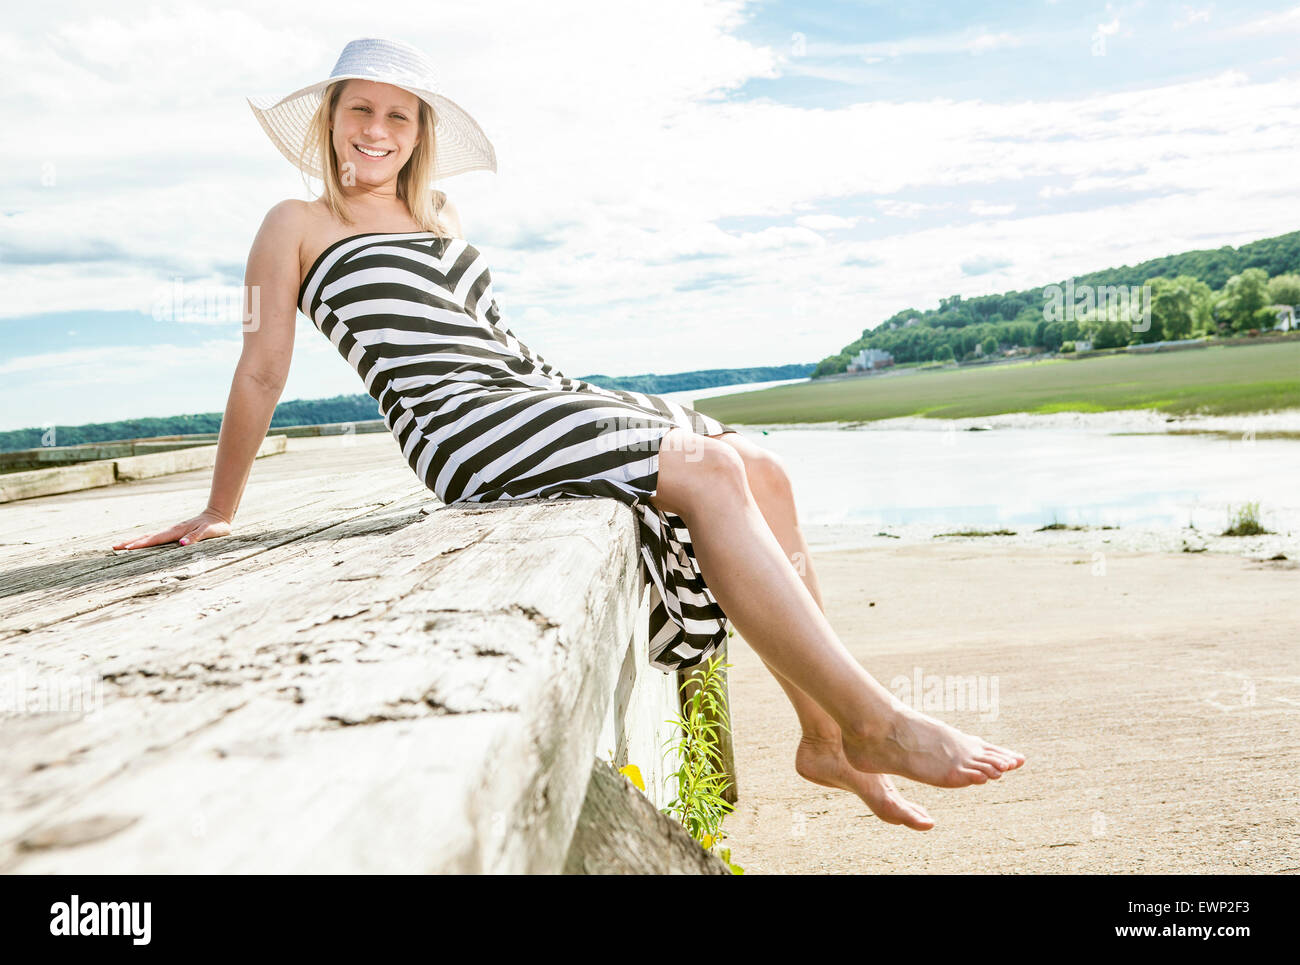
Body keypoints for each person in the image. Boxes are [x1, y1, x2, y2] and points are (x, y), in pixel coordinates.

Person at [112, 37, 1023, 831]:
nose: (377, 130)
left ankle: (825, 738)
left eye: (399, 115)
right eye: (360, 110)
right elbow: (264, 367)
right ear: (331, 118)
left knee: (762, 467)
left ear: (420, 130)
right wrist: (219, 506)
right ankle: (878, 721)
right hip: (462, 425)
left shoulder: (439, 220)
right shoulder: (296, 223)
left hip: (529, 388)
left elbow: (495, 342)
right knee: (706, 471)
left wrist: (577, 396)